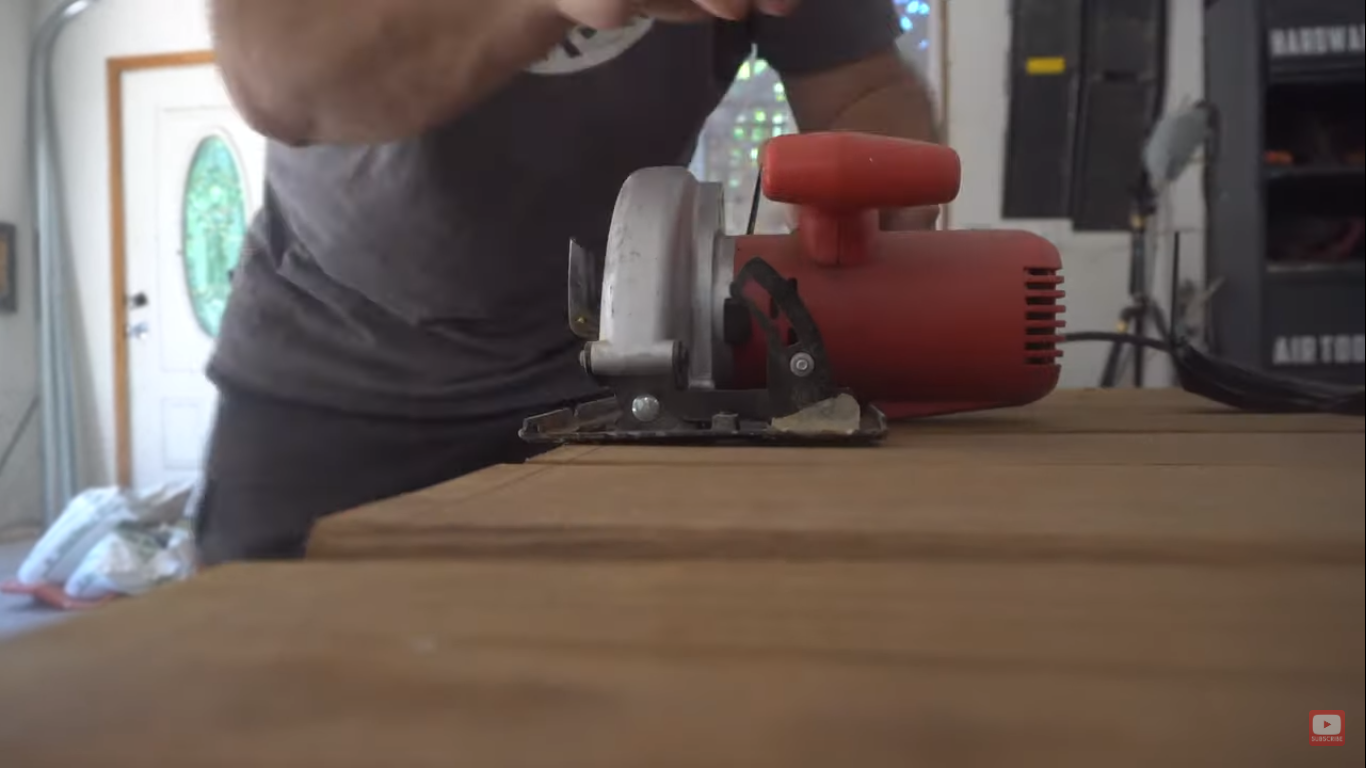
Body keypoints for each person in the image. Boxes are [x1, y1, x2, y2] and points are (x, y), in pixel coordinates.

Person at [198, 0, 942, 564]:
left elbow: (858, 85)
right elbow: (277, 79)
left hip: (610, 388)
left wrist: (870, 187)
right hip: (324, 386)